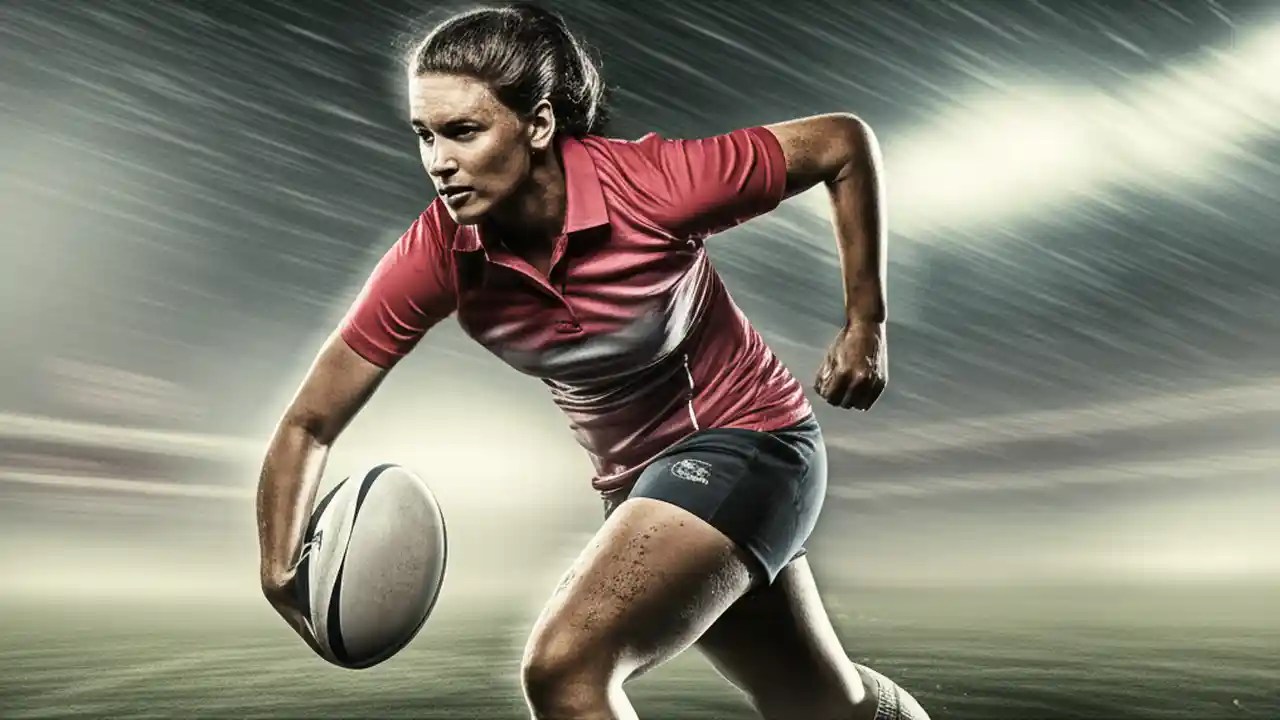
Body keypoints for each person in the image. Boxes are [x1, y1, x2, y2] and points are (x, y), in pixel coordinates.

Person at [256, 3, 929, 719]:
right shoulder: (437, 255)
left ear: (540, 124)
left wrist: (867, 322)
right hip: (640, 488)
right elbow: (310, 423)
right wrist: (276, 568)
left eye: (463, 131)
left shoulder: (654, 184)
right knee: (819, 702)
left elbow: (841, 144)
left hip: (750, 446)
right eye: (424, 135)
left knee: (565, 671)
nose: (438, 161)